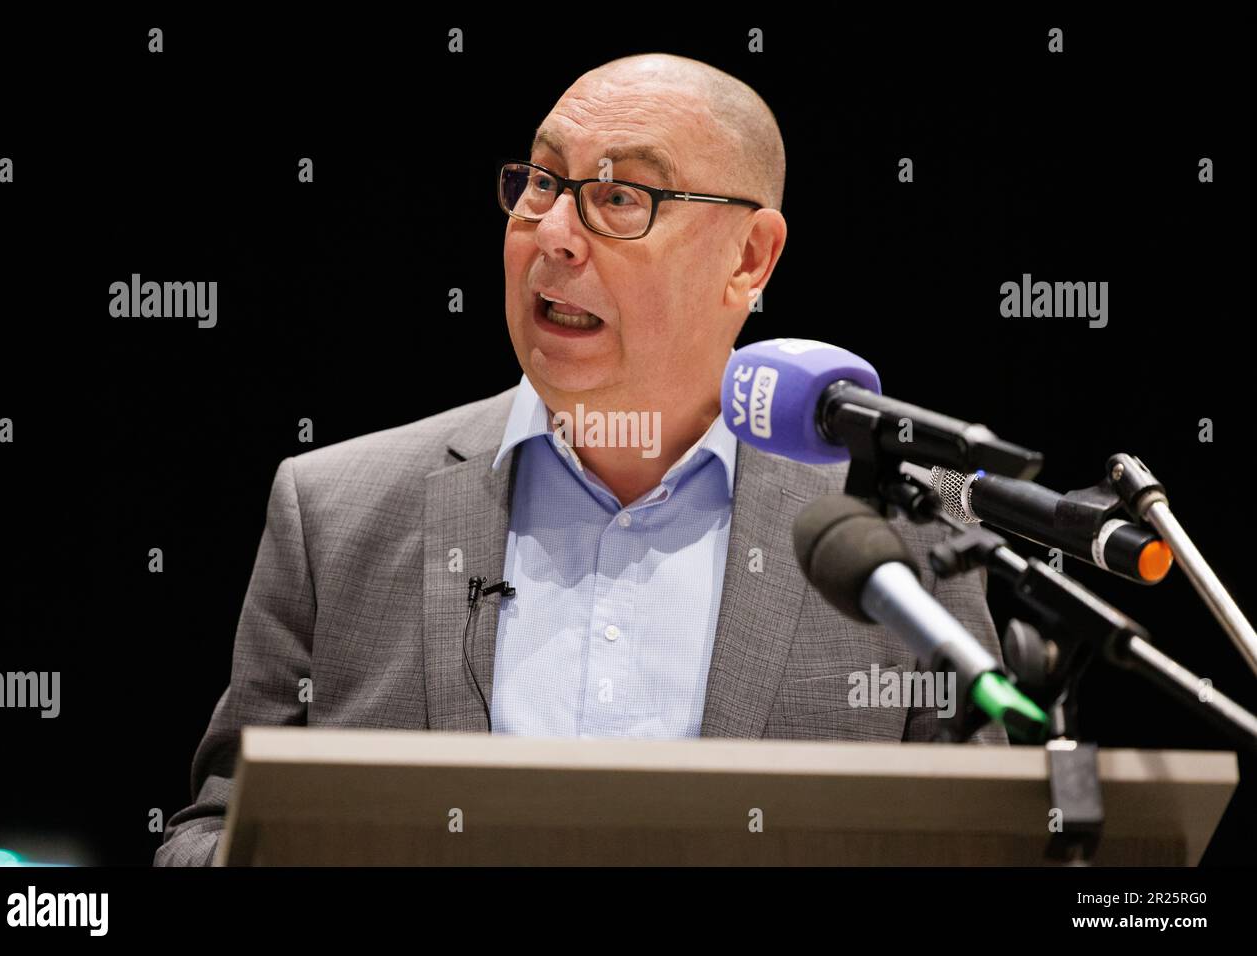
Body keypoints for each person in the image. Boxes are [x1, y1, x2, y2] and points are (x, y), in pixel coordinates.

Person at [155, 53, 1004, 867]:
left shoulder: (906, 527)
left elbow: (990, 839)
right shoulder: (334, 512)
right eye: (541, 183)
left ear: (749, 258)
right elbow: (209, 836)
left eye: (621, 197)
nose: (554, 234)